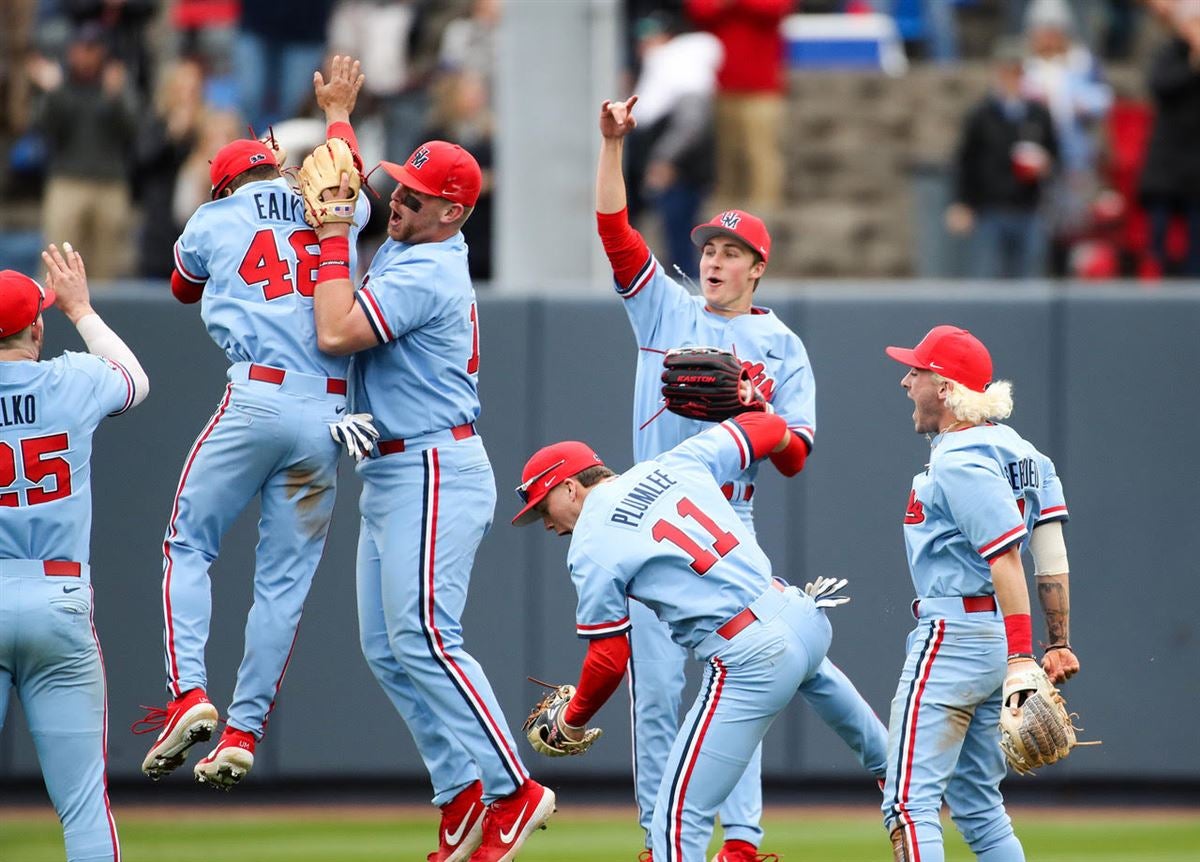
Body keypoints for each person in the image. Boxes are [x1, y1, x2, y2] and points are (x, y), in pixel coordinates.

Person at [595, 96, 887, 862]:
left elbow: (796, 456)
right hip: (656, 525)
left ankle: (744, 841)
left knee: (744, 687)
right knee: (656, 696)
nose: (715, 260)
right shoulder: (663, 312)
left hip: (730, 523)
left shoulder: (782, 345)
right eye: (709, 249)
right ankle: (664, 840)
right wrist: (611, 148)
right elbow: (615, 234)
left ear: (758, 267)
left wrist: (759, 411)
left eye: (731, 251)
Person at [307, 57, 553, 862]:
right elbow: (356, 196)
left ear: (453, 211)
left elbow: (337, 333)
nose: (395, 199)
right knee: (390, 646)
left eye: (413, 194)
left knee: (426, 633)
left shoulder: (430, 267)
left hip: (433, 466)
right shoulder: (413, 244)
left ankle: (514, 787)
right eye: (397, 186)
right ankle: (462, 792)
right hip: (393, 465)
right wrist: (341, 122)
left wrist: (335, 233)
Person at [134, 57, 372, 790]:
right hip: (329, 414)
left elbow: (180, 286)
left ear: (225, 183)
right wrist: (337, 114)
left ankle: (189, 696)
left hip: (257, 398)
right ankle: (243, 729)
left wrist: (230, 211)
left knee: (187, 542)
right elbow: (348, 169)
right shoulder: (335, 207)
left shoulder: (214, 216)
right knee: (284, 586)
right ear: (277, 168)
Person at [511, 413, 845, 862]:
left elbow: (609, 657)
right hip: (798, 610)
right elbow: (763, 428)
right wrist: (773, 426)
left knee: (676, 819)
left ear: (570, 487)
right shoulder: (670, 463)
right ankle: (906, 796)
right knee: (886, 759)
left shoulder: (590, 542)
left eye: (542, 507)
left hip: (744, 651)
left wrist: (573, 718)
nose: (546, 523)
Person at [882, 325, 1078, 862]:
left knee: (907, 803)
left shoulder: (960, 457)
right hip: (993, 640)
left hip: (955, 637)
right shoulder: (1025, 452)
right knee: (978, 805)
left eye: (916, 371)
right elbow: (1051, 552)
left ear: (944, 387)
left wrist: (1022, 656)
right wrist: (1056, 642)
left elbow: (1007, 557)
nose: (906, 381)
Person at [1, 249, 149, 861]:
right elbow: (136, 381)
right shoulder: (73, 379)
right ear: (38, 326)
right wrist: (81, 308)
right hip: (59, 599)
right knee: (84, 804)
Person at [29, 22, 138, 280]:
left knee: (107, 267)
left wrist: (115, 98)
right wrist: (52, 93)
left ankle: (101, 319)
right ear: (71, 51)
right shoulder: (61, 86)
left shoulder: (116, 85)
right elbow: (44, 128)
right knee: (56, 263)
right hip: (67, 181)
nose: (87, 55)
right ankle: (47, 317)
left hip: (110, 182)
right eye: (82, 48)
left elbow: (133, 131)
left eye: (93, 48)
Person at [945, 38, 1059, 279]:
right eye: (1006, 72)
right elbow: (966, 162)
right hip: (991, 210)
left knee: (1030, 278)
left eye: (1016, 73)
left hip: (1029, 208)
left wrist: (1045, 166)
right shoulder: (981, 115)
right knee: (988, 277)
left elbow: (1055, 155)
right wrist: (962, 203)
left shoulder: (1038, 114)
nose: (1011, 79)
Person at [1138, 0, 1200, 277]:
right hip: (1168, 164)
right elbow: (1160, 86)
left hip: (1197, 168)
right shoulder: (1171, 53)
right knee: (1158, 238)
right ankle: (1155, 284)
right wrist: (1193, 65)